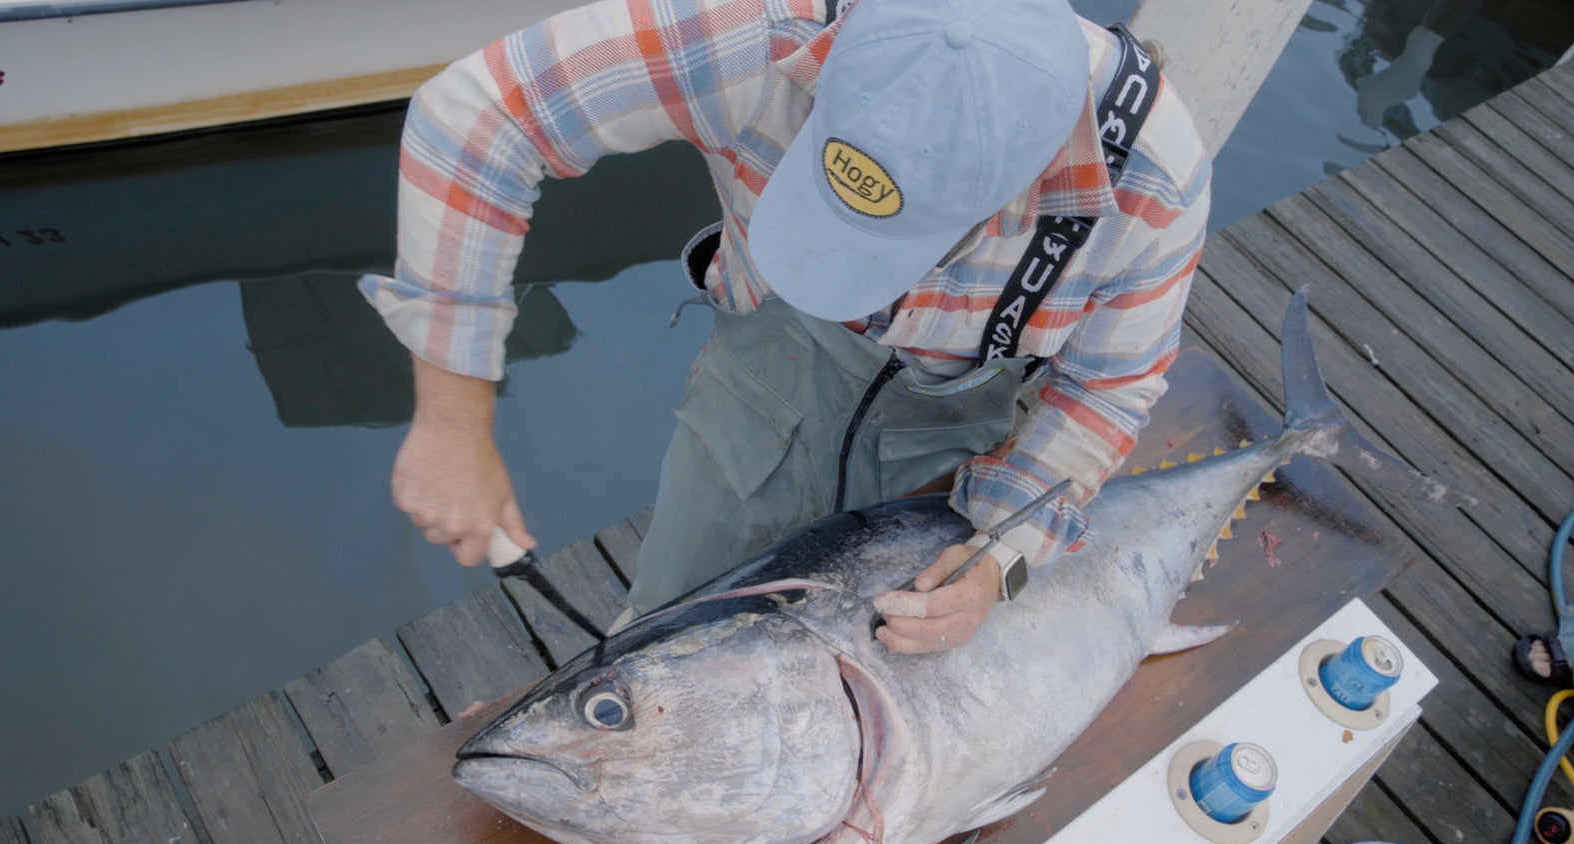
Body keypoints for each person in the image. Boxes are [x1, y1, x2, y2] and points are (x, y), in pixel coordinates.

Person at [359, 0, 1211, 653]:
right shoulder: (758, 31)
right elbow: (475, 116)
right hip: (757, 391)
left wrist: (1005, 558)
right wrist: (449, 422)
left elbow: (1108, 389)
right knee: (663, 633)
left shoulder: (1154, 176)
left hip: (951, 479)